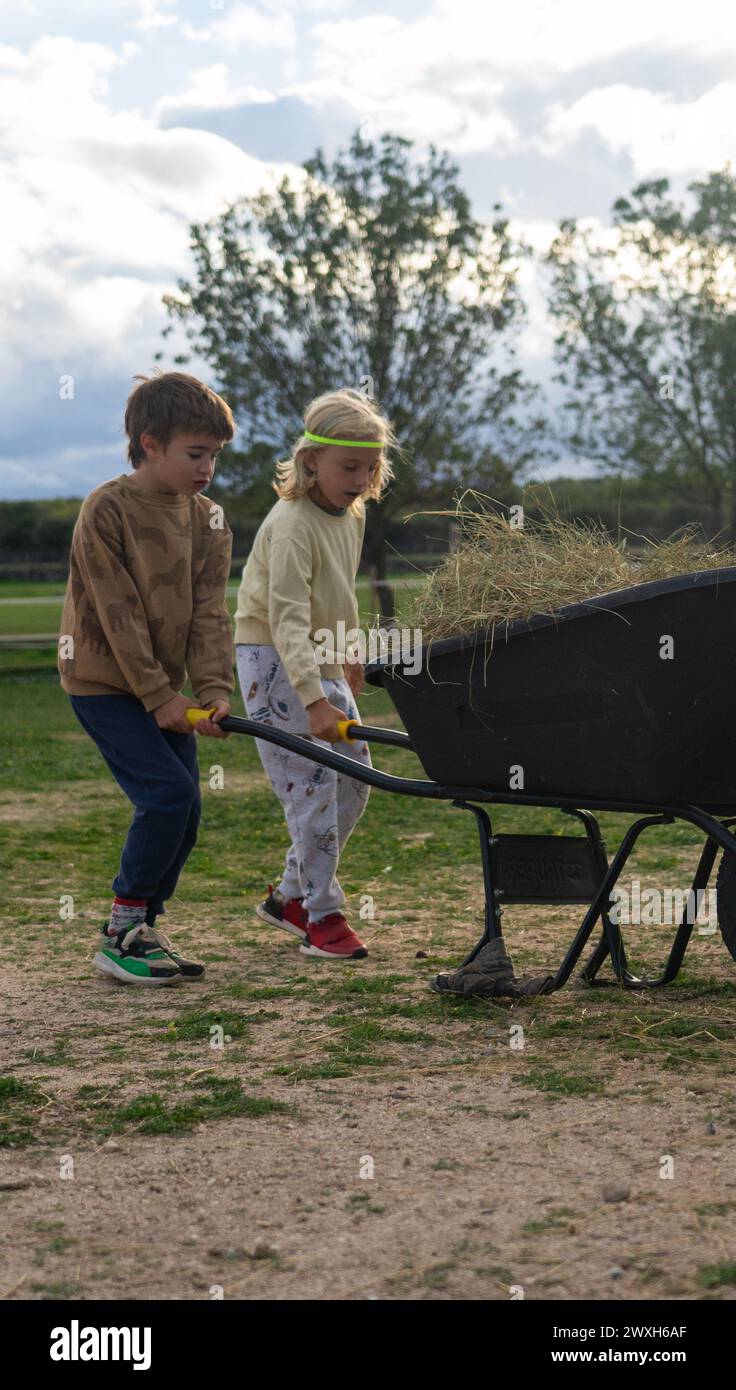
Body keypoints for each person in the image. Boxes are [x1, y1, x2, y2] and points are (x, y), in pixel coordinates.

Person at [58, 371, 235, 985]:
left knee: (185, 811)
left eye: (214, 454)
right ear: (150, 442)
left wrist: (213, 691)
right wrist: (158, 695)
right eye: (195, 453)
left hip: (168, 693)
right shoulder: (106, 509)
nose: (207, 466)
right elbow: (117, 612)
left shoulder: (209, 520)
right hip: (105, 683)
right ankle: (119, 932)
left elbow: (210, 613)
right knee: (165, 796)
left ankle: (142, 927)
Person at [234, 388, 398, 960]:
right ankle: (323, 917)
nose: (361, 477)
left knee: (353, 782)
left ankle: (290, 896)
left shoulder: (349, 515)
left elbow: (338, 592)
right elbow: (286, 617)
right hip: (276, 661)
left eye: (371, 466)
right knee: (312, 792)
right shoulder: (292, 522)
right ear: (311, 461)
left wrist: (348, 650)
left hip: (318, 656)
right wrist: (312, 697)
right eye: (348, 465)